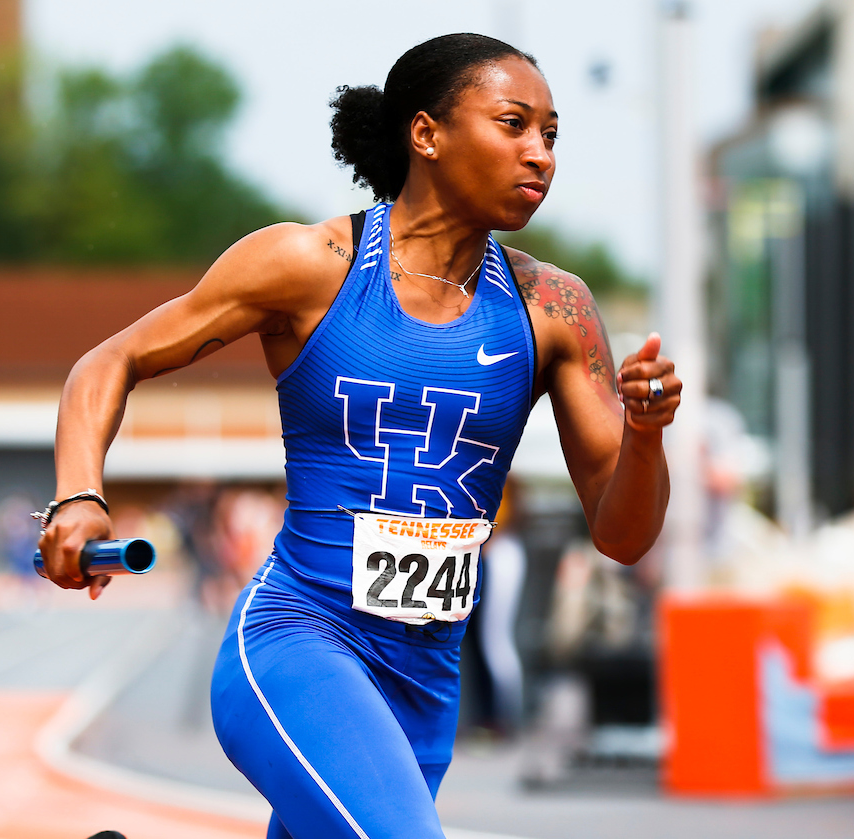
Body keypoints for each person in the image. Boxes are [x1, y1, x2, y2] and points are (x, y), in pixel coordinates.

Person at [39, 33, 681, 839]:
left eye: (551, 134)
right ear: (427, 134)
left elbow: (623, 536)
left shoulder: (558, 309)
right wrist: (78, 495)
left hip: (424, 681)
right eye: (514, 124)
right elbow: (112, 359)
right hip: (298, 638)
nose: (539, 154)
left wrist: (647, 435)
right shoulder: (312, 265)